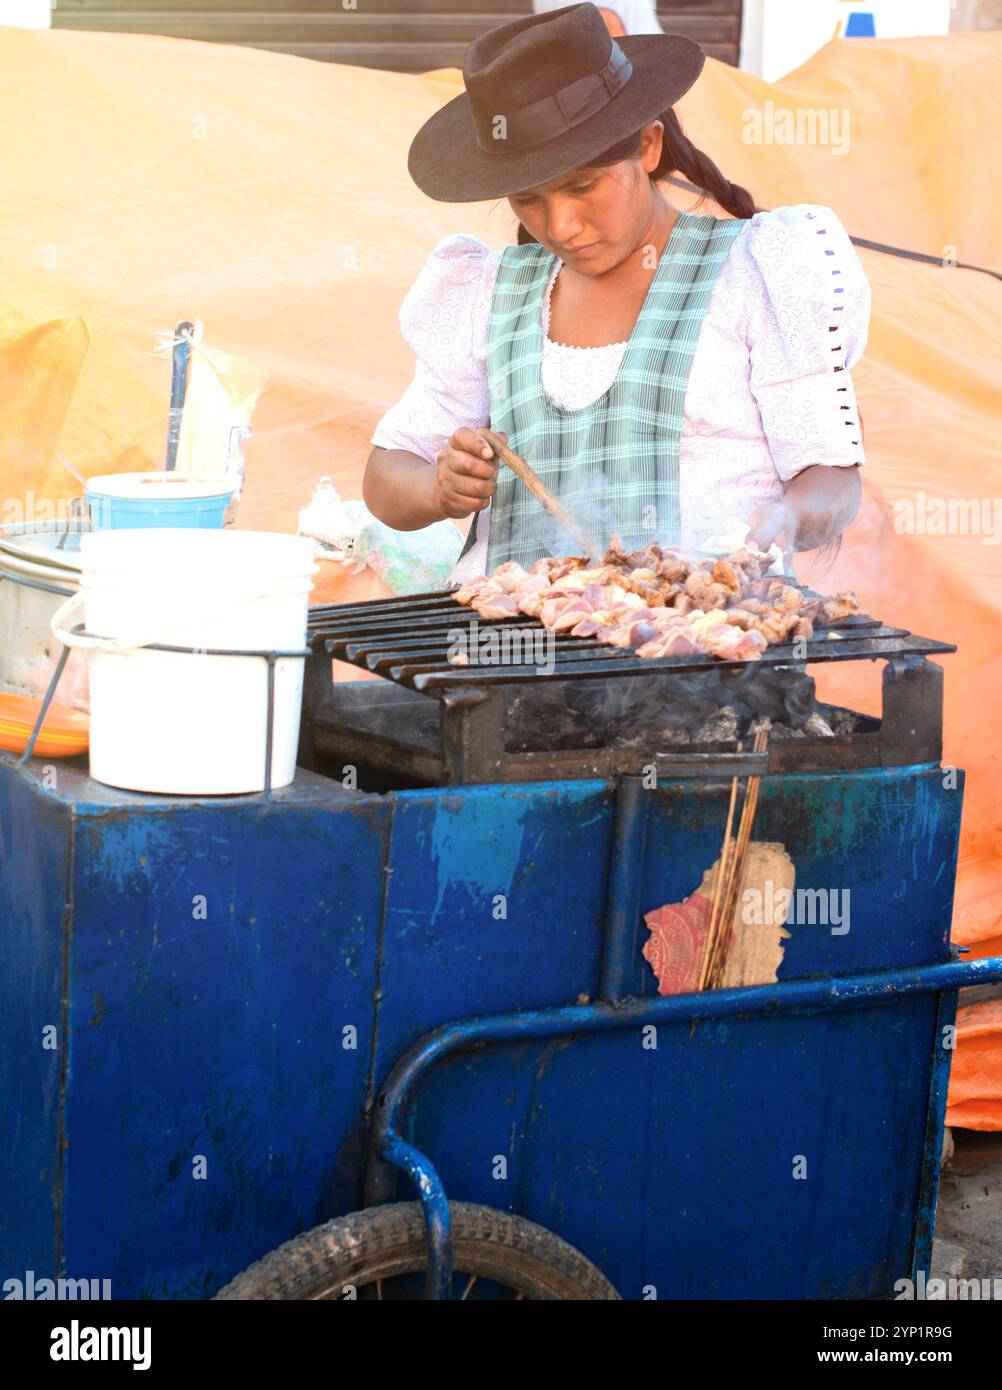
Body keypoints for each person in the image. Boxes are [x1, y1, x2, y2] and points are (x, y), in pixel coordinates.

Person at [363, 3, 868, 585]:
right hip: (513, 655)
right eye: (529, 199)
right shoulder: (488, 294)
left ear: (648, 147)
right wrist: (437, 487)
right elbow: (385, 475)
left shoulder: (757, 272)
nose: (561, 227)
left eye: (583, 187)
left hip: (704, 652)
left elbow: (832, 481)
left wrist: (788, 517)